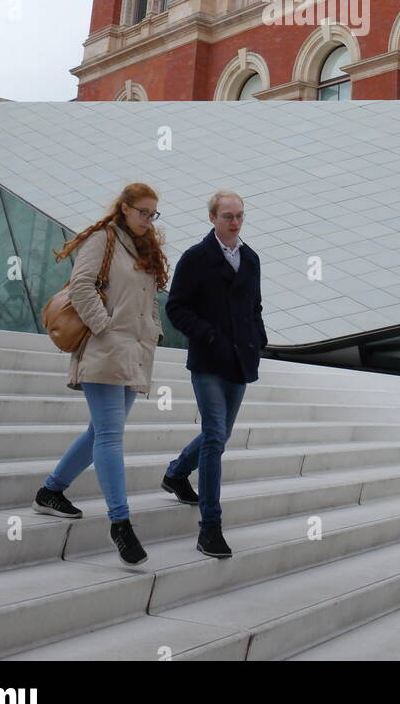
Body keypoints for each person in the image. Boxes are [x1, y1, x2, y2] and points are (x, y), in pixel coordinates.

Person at [33, 182, 169, 567]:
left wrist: (153, 329)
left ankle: (50, 492)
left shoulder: (144, 247)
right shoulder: (103, 238)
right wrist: (104, 327)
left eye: (153, 213)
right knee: (110, 435)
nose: (148, 219)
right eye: (142, 211)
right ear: (124, 208)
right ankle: (120, 523)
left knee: (99, 431)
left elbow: (148, 299)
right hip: (105, 350)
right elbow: (80, 286)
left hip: (134, 352)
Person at [163, 190, 267, 558]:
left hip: (240, 362)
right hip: (208, 362)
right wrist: (207, 334)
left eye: (239, 215)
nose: (235, 222)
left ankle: (176, 473)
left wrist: (259, 338)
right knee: (213, 439)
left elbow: (254, 306)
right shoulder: (195, 258)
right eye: (227, 216)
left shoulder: (251, 259)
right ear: (212, 218)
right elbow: (175, 308)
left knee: (218, 435)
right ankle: (210, 528)